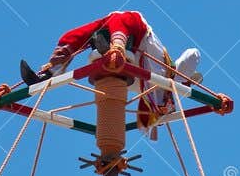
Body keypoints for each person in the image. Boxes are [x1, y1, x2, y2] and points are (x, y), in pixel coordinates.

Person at [18, 10, 201, 125]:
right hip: (137, 61)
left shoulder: (168, 80)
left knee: (114, 22)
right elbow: (192, 55)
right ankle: (50, 73)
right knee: (105, 25)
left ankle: (108, 48)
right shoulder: (170, 72)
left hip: (138, 71)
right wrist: (51, 65)